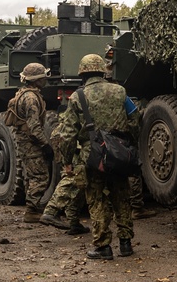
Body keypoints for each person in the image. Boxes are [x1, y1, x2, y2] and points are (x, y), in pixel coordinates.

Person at [54, 54, 139, 259]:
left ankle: (103, 247)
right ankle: (126, 243)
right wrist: (127, 143)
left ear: (82, 74)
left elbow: (66, 135)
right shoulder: (120, 92)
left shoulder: (78, 97)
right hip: (118, 153)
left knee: (97, 199)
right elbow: (135, 117)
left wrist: (66, 162)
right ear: (102, 71)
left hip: (92, 156)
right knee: (122, 196)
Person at [7, 62, 52, 222]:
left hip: (24, 141)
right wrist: (45, 144)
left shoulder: (22, 93)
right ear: (36, 80)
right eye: (43, 77)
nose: (46, 80)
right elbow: (34, 126)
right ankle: (32, 211)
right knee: (40, 176)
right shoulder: (31, 98)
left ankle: (32, 207)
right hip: (31, 142)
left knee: (31, 175)